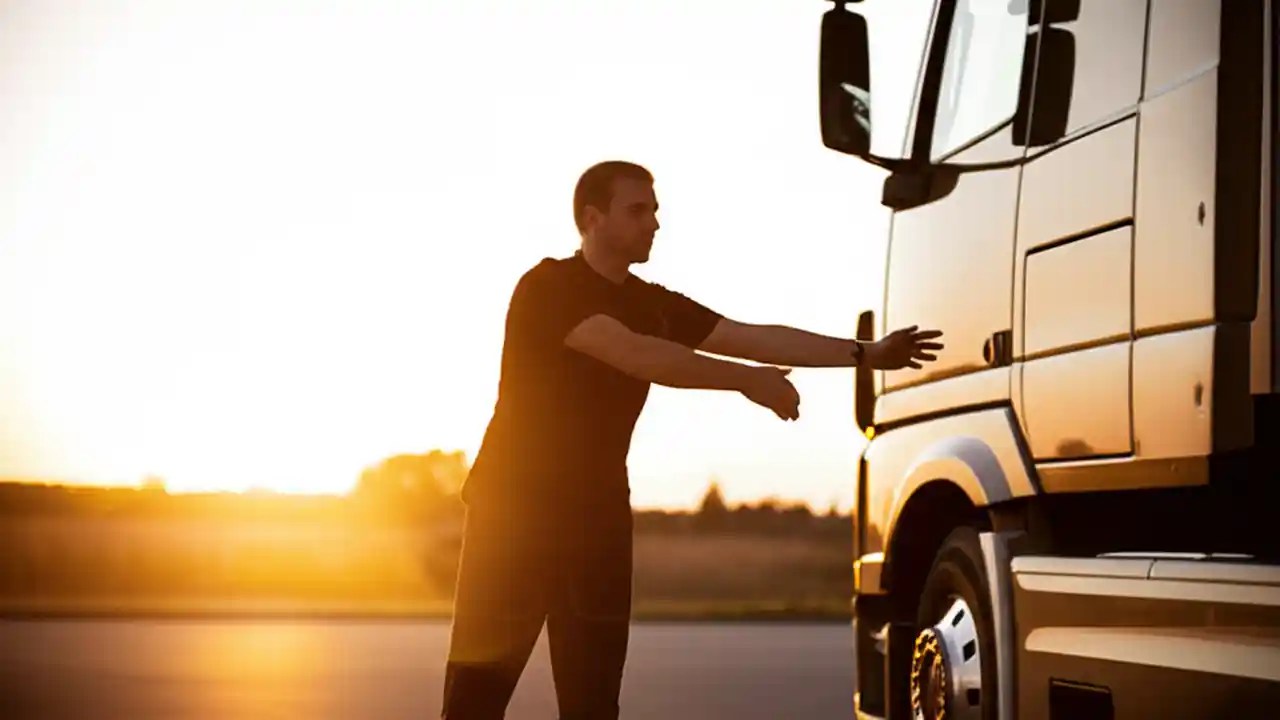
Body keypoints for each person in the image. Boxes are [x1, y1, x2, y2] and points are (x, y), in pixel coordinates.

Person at [441, 160, 943, 719]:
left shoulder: (653, 303)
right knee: (474, 701)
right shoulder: (547, 287)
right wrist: (746, 380)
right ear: (592, 218)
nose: (654, 223)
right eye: (637, 211)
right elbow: (639, 354)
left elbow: (751, 337)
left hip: (597, 521)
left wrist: (865, 353)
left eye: (654, 211)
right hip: (513, 517)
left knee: (593, 703)